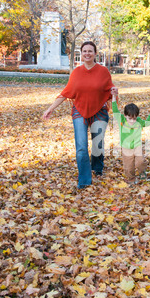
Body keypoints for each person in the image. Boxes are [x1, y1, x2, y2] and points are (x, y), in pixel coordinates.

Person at [43, 41, 117, 189]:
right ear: (81, 54)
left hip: (99, 111)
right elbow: (66, 93)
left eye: (90, 51)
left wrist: (114, 95)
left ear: (95, 54)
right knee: (81, 147)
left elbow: (110, 91)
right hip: (79, 110)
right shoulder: (76, 72)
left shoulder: (103, 72)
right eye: (84, 51)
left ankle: (97, 167)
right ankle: (84, 180)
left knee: (98, 143)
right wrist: (50, 108)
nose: (87, 54)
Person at [111, 90, 150, 184]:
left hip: (137, 145)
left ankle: (142, 172)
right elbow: (115, 110)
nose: (132, 121)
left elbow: (147, 123)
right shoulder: (122, 120)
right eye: (130, 118)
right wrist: (114, 97)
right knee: (129, 166)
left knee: (140, 162)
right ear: (125, 116)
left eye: (134, 118)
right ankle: (131, 179)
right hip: (126, 147)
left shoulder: (138, 122)